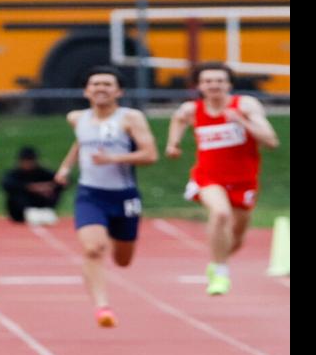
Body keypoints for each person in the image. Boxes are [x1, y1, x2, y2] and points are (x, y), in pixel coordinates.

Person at [53, 66, 158, 326]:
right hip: (91, 194)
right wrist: (66, 167)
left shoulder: (130, 118)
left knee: (123, 260)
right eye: (96, 84)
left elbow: (150, 155)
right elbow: (81, 142)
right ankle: (102, 307)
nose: (101, 88)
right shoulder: (77, 118)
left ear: (119, 91)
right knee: (93, 248)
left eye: (107, 84)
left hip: (124, 196)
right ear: (86, 91)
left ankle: (115, 235)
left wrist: (114, 158)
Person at [165, 62, 278, 296]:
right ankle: (221, 272)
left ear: (229, 84)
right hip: (208, 178)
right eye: (207, 81)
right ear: (199, 85)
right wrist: (173, 144)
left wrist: (242, 121)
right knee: (220, 214)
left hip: (243, 181)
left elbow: (271, 141)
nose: (213, 85)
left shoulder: (245, 105)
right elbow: (178, 120)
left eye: (219, 80)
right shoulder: (191, 109)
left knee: (236, 238)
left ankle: (218, 262)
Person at [1, 146, 62, 224]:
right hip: (19, 211)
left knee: (55, 190)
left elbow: (62, 181)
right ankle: (29, 212)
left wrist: (48, 187)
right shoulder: (14, 174)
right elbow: (6, 184)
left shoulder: (42, 172)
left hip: (42, 205)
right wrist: (31, 187)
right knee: (16, 192)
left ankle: (46, 211)